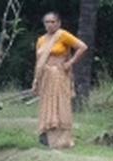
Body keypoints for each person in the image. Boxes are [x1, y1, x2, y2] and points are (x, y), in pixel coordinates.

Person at [32, 11, 88, 149]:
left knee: (59, 104)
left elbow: (82, 47)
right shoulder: (41, 40)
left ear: (58, 23)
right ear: (44, 24)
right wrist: (36, 80)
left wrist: (70, 63)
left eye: (53, 22)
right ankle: (46, 135)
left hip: (59, 75)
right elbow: (39, 61)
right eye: (47, 22)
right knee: (47, 104)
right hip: (45, 76)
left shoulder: (62, 35)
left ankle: (61, 140)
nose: (50, 25)